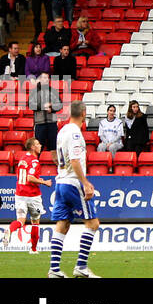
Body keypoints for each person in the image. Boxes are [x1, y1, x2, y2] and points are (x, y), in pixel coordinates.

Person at [48, 99, 100, 279]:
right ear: (84, 113)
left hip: (60, 181)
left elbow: (56, 156)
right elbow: (76, 161)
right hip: (72, 182)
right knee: (93, 224)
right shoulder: (76, 134)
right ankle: (81, 266)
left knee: (62, 225)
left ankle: (54, 269)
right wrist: (85, 183)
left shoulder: (62, 131)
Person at [9, 138, 50, 252]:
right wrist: (44, 182)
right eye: (38, 144)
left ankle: (10, 230)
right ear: (32, 147)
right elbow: (30, 178)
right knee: (35, 222)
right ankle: (33, 249)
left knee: (21, 221)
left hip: (19, 193)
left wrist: (37, 179)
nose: (40, 145)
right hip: (32, 195)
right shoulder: (34, 161)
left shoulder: (22, 159)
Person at [29, 73, 61, 151]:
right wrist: (42, 106)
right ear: (39, 79)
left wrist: (52, 108)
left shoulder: (53, 91)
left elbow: (59, 104)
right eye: (44, 78)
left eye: (47, 78)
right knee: (38, 148)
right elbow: (31, 105)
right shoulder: (34, 92)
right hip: (40, 124)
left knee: (53, 148)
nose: (46, 79)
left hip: (52, 123)